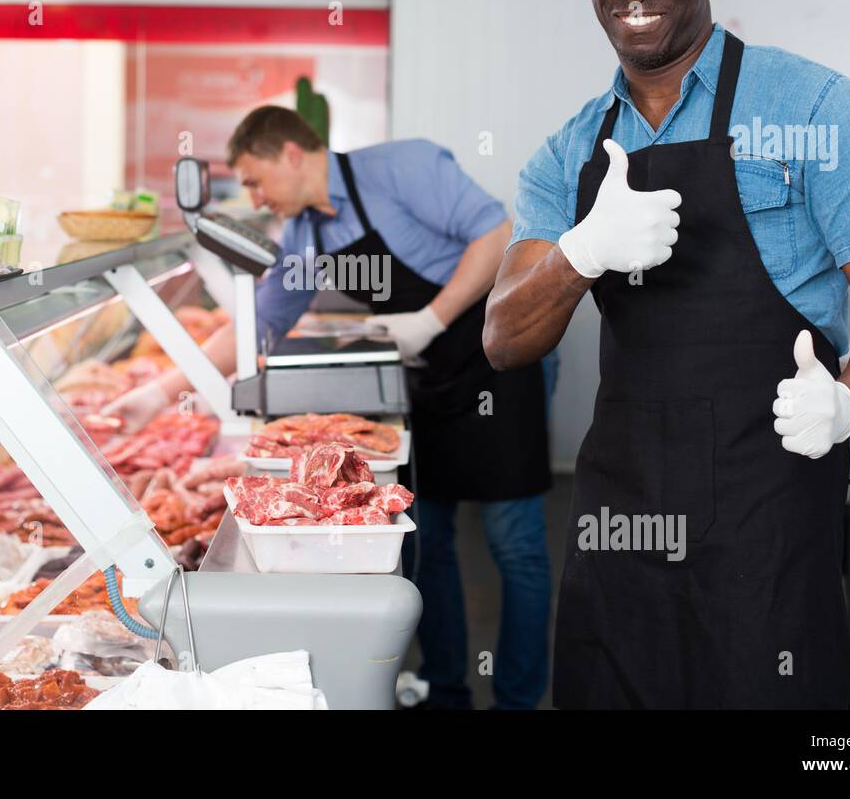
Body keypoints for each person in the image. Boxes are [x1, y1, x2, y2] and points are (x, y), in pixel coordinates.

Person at [484, 0, 850, 709]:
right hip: (621, 511)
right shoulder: (571, 151)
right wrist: (581, 251)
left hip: (766, 511)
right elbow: (506, 338)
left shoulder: (811, 109)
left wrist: (845, 402)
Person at [110, 106, 553, 709]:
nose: (257, 199)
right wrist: (159, 391)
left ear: (292, 153)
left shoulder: (403, 166)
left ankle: (519, 700)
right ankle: (449, 690)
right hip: (428, 386)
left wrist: (430, 319)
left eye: (256, 179)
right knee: (433, 544)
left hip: (498, 370)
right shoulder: (305, 236)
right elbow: (259, 323)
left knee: (515, 544)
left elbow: (496, 234)